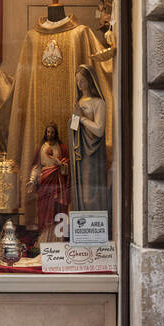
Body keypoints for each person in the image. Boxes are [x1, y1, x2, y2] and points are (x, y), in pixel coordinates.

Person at [68, 66, 109, 217]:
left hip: (93, 154)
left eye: (83, 81)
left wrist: (81, 117)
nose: (80, 84)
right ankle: (82, 219)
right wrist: (74, 117)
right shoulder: (79, 102)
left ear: (90, 81)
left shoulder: (99, 103)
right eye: (77, 81)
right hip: (81, 154)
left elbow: (99, 129)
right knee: (81, 189)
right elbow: (74, 128)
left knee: (90, 191)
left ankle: (94, 221)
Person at [28, 121, 70, 242]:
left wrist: (60, 164)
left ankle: (57, 238)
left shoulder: (62, 148)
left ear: (55, 133)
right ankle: (44, 237)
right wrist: (32, 180)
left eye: (52, 132)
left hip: (58, 182)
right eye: (48, 132)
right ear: (45, 133)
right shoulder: (41, 147)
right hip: (45, 182)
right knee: (45, 208)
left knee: (58, 207)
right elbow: (37, 166)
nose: (50, 134)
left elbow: (67, 167)